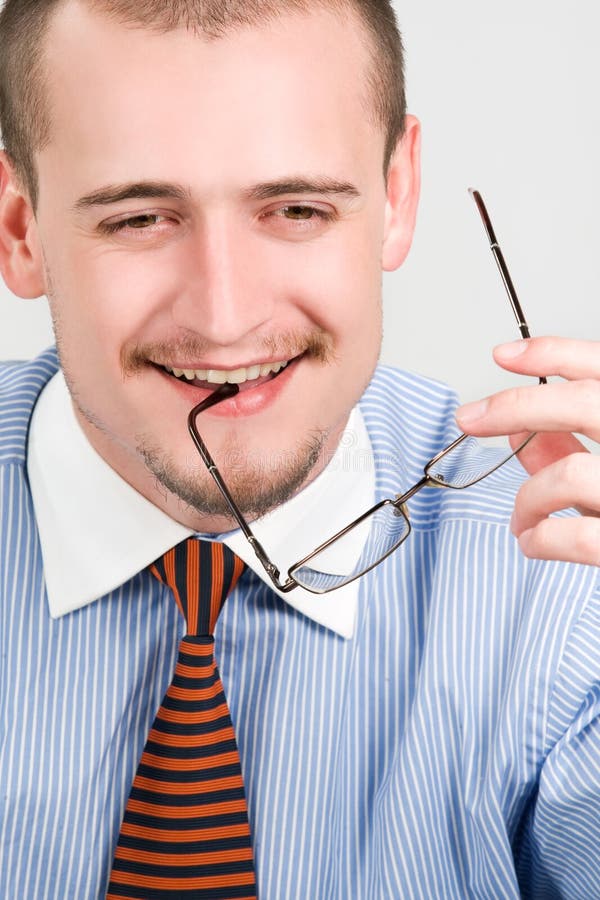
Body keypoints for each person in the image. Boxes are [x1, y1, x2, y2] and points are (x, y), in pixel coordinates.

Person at [0, 0, 599, 897]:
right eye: (139, 220)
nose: (224, 318)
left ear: (396, 197)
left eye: (295, 209)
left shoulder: (564, 569)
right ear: (21, 229)